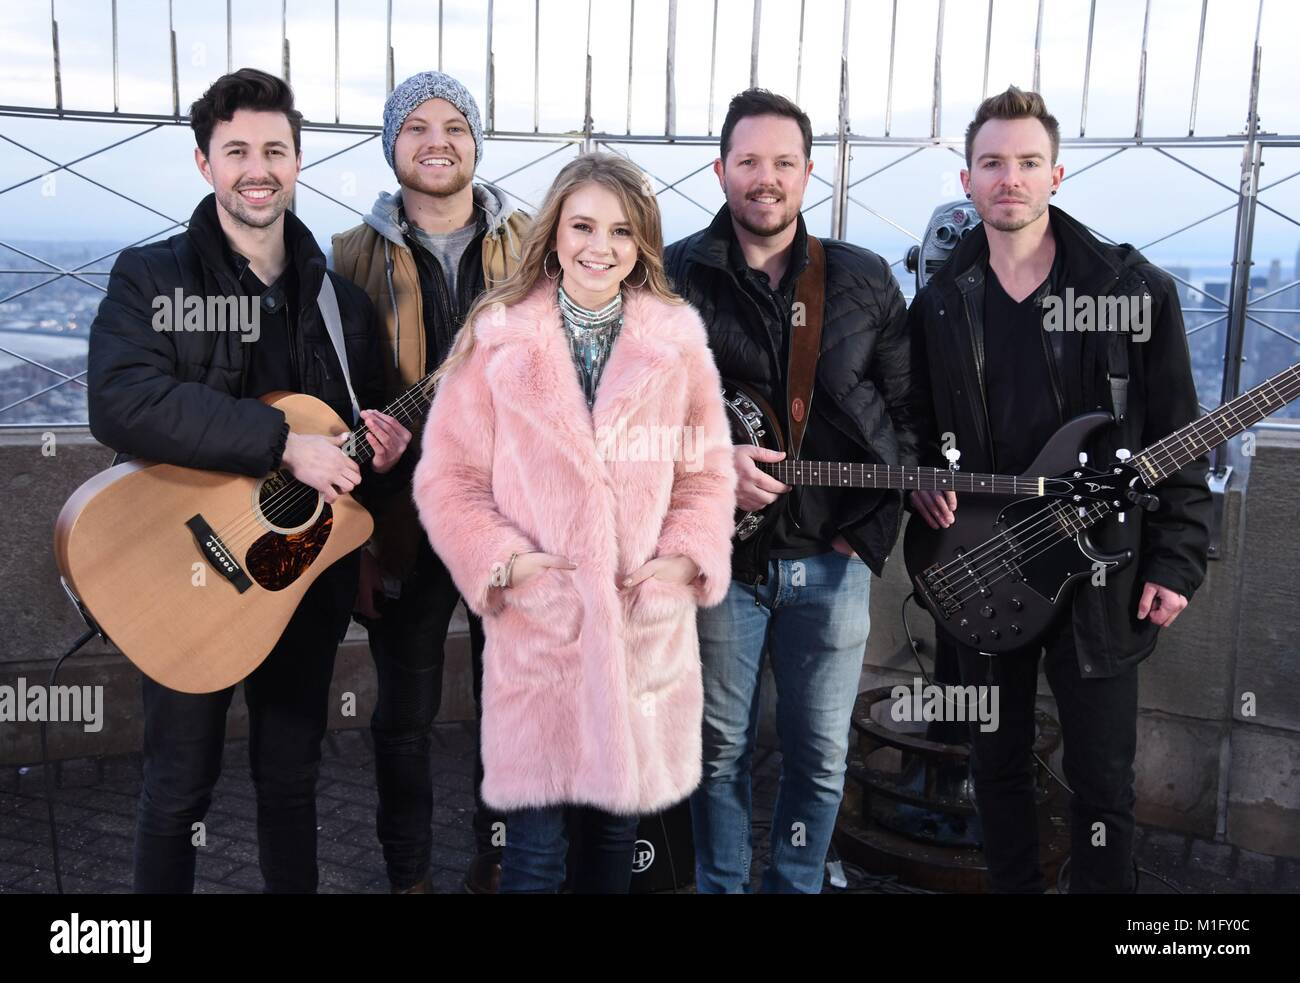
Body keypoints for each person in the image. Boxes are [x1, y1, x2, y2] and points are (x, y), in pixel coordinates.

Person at [87, 68, 411, 893]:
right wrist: (281, 444)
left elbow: (349, 444)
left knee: (292, 777)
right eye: (236, 150)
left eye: (275, 148)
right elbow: (122, 402)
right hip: (187, 572)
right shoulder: (152, 278)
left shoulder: (341, 301)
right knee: (176, 789)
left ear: (299, 161)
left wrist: (379, 449)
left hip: (299, 576)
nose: (256, 167)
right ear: (204, 163)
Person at [908, 86, 1211, 893]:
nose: (1011, 178)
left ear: (1058, 174)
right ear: (968, 179)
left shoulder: (1130, 289)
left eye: (1028, 162)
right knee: (995, 763)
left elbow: (1178, 434)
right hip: (983, 563)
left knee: (1104, 781)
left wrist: (1177, 562)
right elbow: (912, 422)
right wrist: (918, 485)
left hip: (1101, 577)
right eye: (993, 163)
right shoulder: (940, 302)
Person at [412, 152, 737, 893]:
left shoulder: (675, 339)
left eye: (622, 231)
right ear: (553, 231)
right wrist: (504, 562)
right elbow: (449, 478)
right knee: (531, 856)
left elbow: (705, 471)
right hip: (543, 633)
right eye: (583, 225)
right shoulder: (498, 338)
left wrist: (683, 560)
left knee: (613, 849)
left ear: (644, 241)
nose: (601, 246)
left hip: (635, 626)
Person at [664, 89, 922, 893]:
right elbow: (623, 423)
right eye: (748, 162)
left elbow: (911, 419)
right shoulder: (668, 276)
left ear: (810, 172)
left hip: (833, 562)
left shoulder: (864, 279)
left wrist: (866, 533)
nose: (764, 178)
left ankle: (798, 883)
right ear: (720, 171)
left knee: (820, 755)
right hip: (718, 569)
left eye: (782, 162)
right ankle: (721, 884)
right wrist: (708, 462)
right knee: (718, 751)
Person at [331, 70, 529, 894]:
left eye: (454, 124)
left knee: (510, 710)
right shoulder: (345, 257)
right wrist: (359, 541)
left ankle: (501, 858)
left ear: (477, 141)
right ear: (391, 146)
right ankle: (407, 874)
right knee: (403, 717)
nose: (436, 140)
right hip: (402, 525)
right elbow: (334, 407)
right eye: (415, 126)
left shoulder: (532, 244)